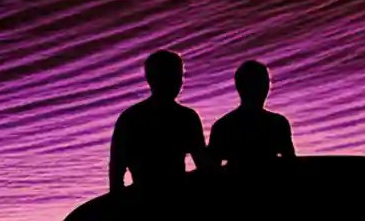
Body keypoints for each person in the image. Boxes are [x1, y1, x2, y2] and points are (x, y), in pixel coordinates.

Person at [109, 50, 209, 193]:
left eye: (179, 76)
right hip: (173, 194)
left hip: (147, 196)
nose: (177, 83)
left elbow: (116, 171)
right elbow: (203, 165)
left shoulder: (130, 117)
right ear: (151, 79)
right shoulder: (186, 117)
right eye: (170, 77)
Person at [208, 60, 295, 169]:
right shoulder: (278, 123)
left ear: (239, 87)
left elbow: (211, 170)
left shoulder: (222, 126)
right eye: (264, 83)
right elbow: (291, 164)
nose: (267, 87)